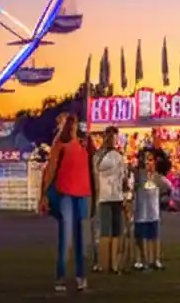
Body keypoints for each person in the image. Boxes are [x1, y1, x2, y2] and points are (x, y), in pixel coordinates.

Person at [39, 113, 94, 292]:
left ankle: (80, 276)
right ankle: (61, 276)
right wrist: (44, 193)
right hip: (66, 194)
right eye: (70, 124)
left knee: (80, 239)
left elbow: (92, 166)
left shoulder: (84, 144)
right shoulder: (60, 145)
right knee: (66, 237)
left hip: (82, 194)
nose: (72, 127)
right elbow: (50, 169)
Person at [93, 126, 128, 275]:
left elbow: (123, 176)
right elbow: (96, 172)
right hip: (105, 197)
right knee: (104, 232)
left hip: (117, 197)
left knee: (116, 232)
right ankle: (103, 263)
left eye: (115, 137)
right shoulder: (99, 155)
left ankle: (113, 264)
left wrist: (125, 195)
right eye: (111, 137)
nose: (113, 140)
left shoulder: (118, 155)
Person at [132, 149, 172, 271]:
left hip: (153, 212)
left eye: (150, 160)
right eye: (146, 160)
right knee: (141, 237)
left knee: (154, 236)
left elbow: (168, 187)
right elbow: (131, 186)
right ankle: (142, 260)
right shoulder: (139, 175)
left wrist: (163, 197)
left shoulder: (157, 177)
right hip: (141, 212)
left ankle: (155, 259)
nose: (148, 163)